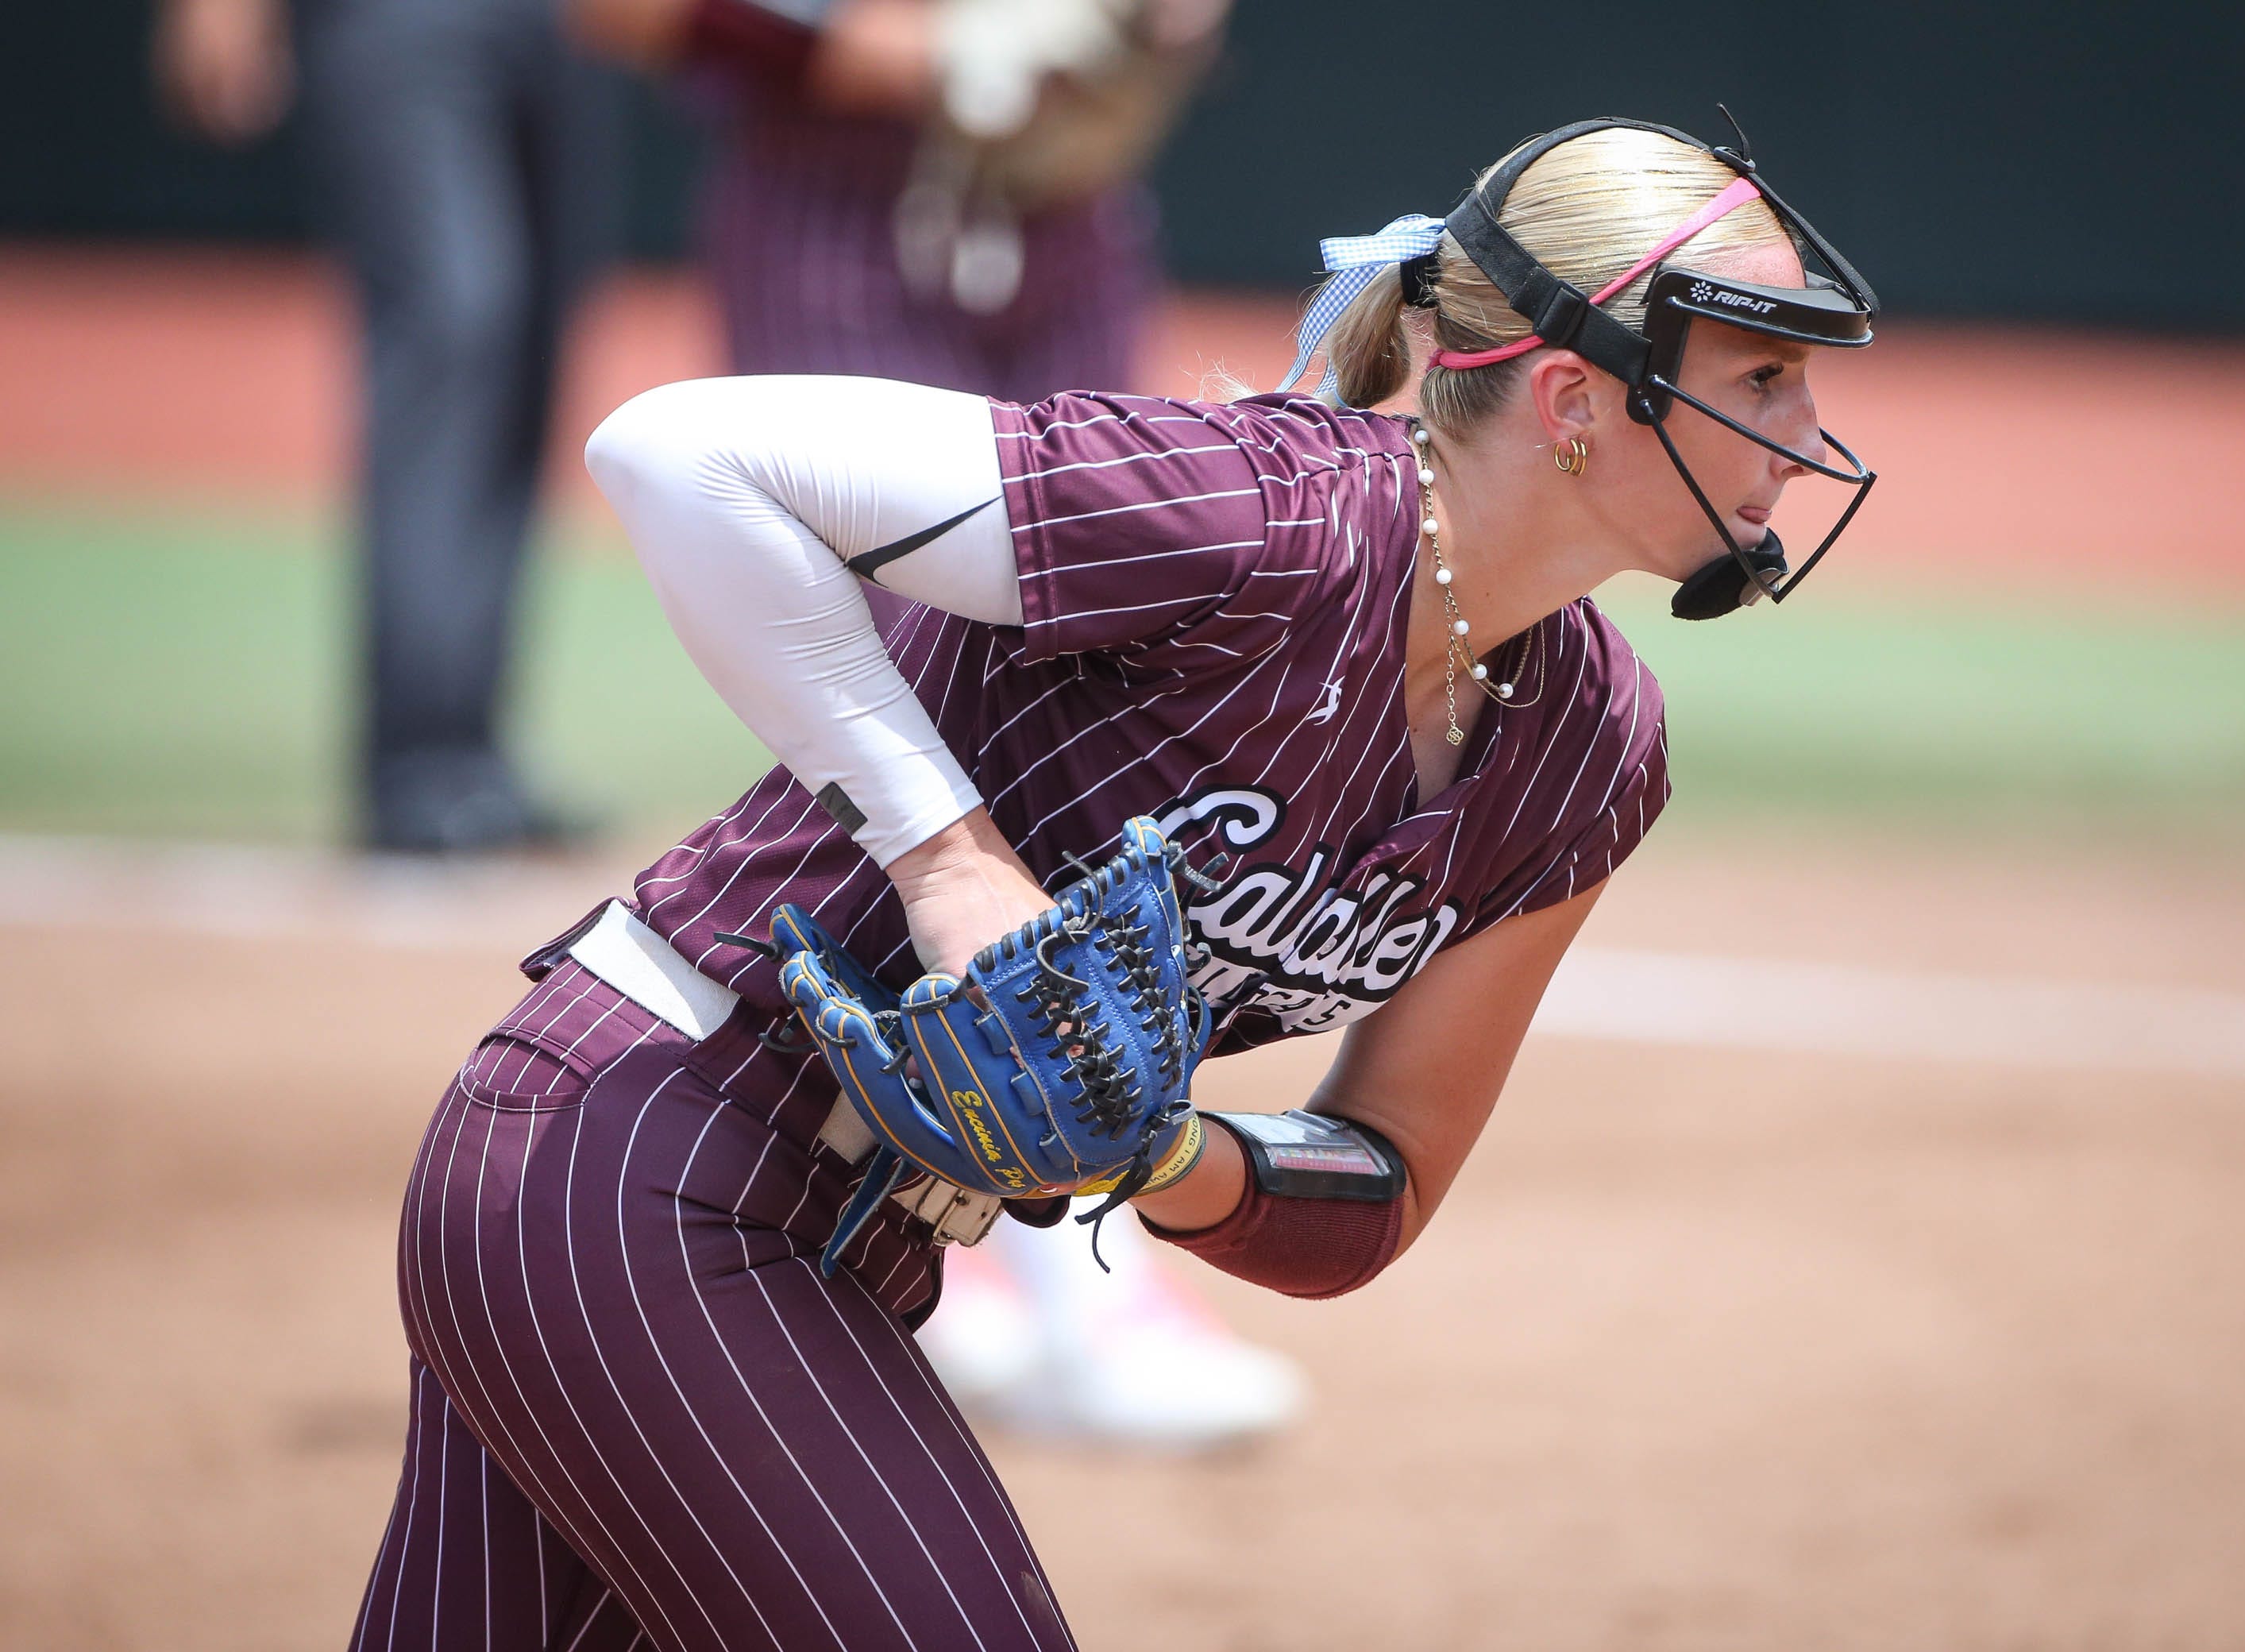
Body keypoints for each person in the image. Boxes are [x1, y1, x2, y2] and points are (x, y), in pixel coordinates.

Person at [347, 117, 1878, 1650]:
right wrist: (946, 857)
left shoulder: (1590, 754)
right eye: (1761, 375)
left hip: (837, 1235)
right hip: (638, 1155)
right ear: (1570, 398)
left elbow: (1379, 1186)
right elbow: (676, 451)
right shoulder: (1258, 516)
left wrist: (1153, 1151)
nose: (1807, 427)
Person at [567, 0, 1290, 1447]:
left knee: (1084, 678)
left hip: (1061, 214)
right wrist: (880, 54)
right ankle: (1010, 1257)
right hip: (841, 198)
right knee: (903, 692)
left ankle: (1033, 1236)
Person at [154, 0, 620, 853]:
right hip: (397, 19)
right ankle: (418, 762)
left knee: (531, 348)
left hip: (566, 23)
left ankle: (473, 753)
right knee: (455, 321)